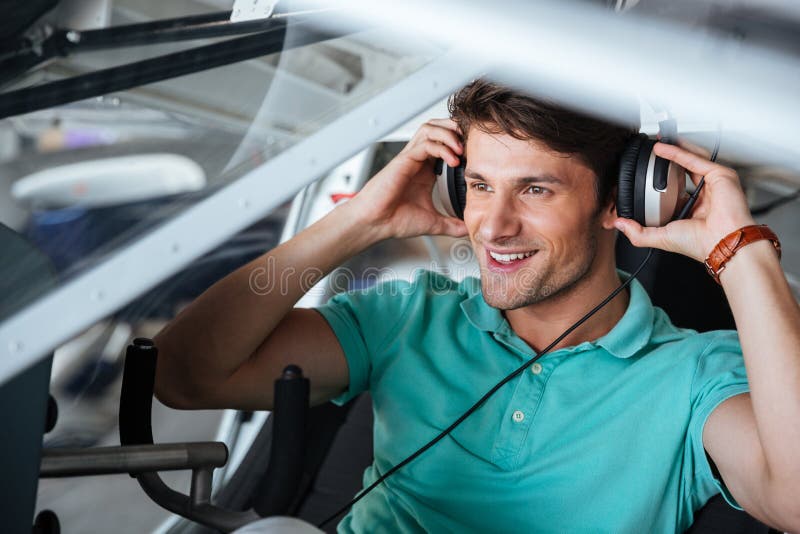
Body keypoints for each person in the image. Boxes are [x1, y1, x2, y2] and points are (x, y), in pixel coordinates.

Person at [153, 79, 800, 533]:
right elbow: (183, 375)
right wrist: (358, 224)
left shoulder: (697, 377)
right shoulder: (409, 317)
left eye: (535, 189)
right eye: (480, 186)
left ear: (621, 202)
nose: (492, 226)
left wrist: (742, 254)